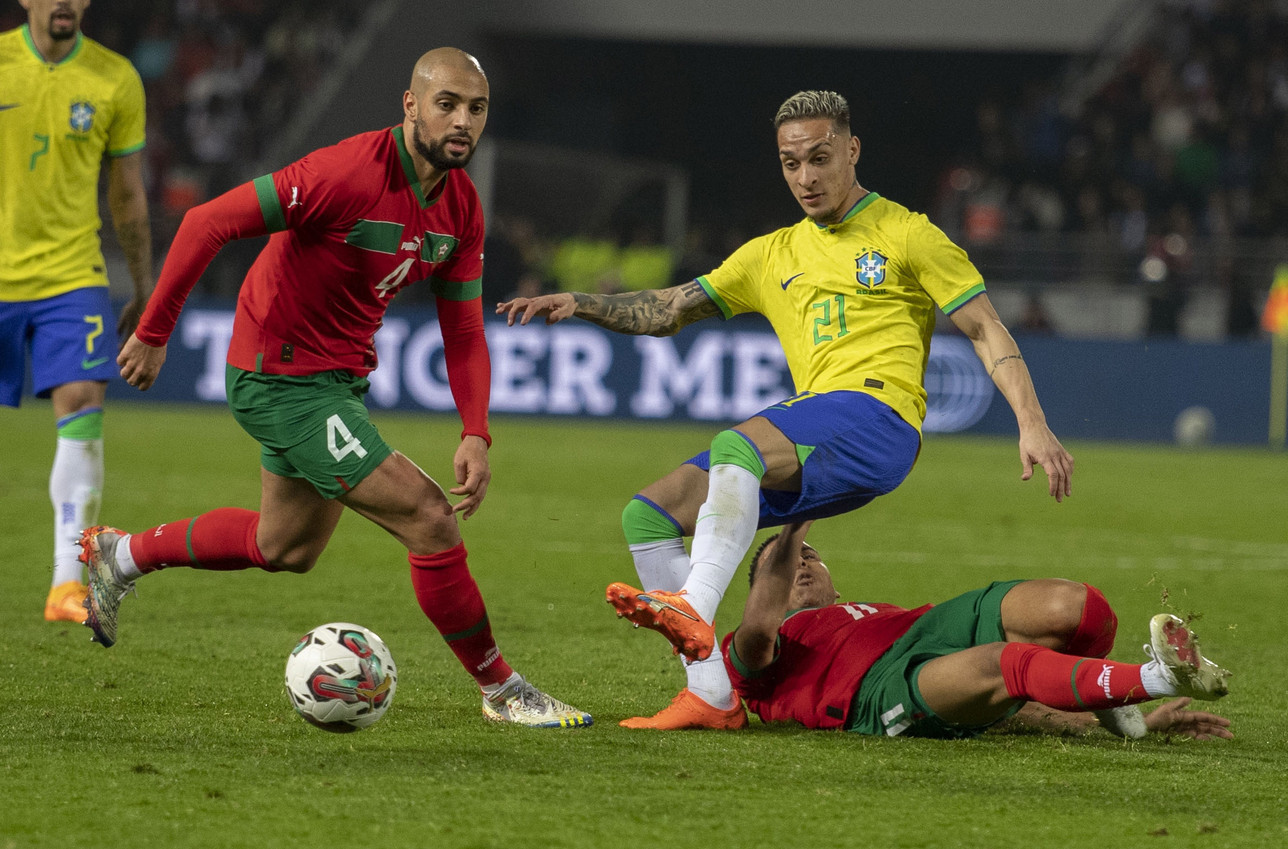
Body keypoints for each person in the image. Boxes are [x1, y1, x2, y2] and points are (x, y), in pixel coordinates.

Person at [498, 89, 1075, 729]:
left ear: (852, 151)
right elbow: (669, 309)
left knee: (736, 446)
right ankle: (712, 696)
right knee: (649, 516)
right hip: (816, 424)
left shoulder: (908, 233)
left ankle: (692, 601)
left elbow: (987, 328)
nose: (806, 177)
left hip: (880, 420)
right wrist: (580, 303)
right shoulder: (770, 255)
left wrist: (1033, 424)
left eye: (820, 158)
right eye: (790, 163)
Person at [78, 48, 591, 729]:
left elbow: (463, 330)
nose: (463, 120)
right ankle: (502, 690)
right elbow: (208, 223)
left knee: (284, 547)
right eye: (447, 104)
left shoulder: (461, 209)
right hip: (277, 374)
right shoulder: (346, 173)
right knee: (430, 519)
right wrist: (154, 329)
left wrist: (475, 430)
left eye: (476, 108)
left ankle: (123, 555)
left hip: (336, 381)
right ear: (411, 106)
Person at [613, 520, 1232, 741]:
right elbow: (756, 629)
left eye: (809, 557)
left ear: (831, 575)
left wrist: (1103, 718)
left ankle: (1118, 709)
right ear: (762, 591)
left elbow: (1014, 711)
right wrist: (794, 522)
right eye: (783, 565)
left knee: (1082, 609)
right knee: (1003, 664)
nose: (800, 564)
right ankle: (1153, 677)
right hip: (878, 691)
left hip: (928, 628)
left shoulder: (870, 609)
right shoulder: (751, 651)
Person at [1, 0, 153, 623]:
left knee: (84, 403)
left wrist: (144, 284)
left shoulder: (115, 77)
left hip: (72, 274)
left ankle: (66, 586)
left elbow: (126, 189)